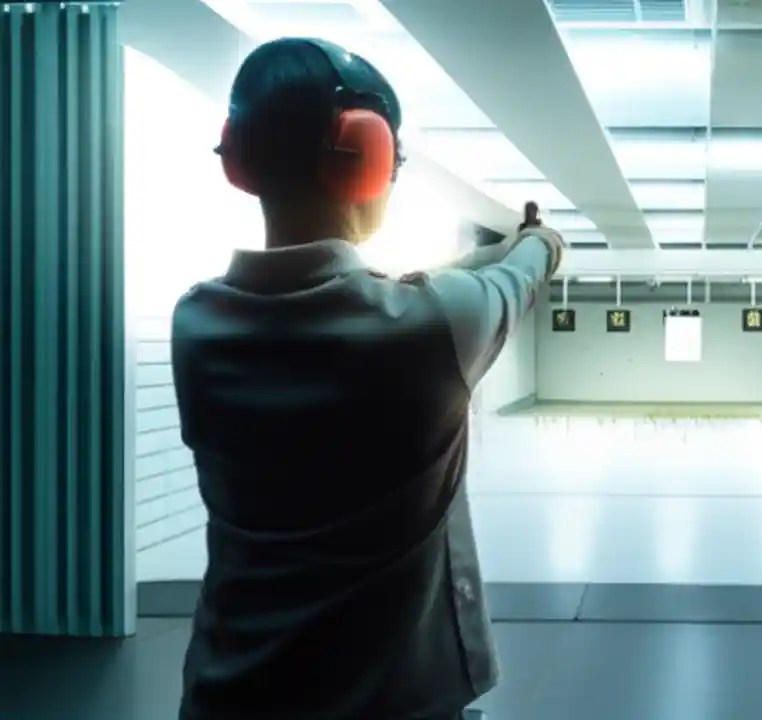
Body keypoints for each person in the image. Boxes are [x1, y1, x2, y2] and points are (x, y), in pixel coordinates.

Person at [171, 38, 564, 720]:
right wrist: (542, 241)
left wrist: (484, 259)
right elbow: (517, 276)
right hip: (390, 702)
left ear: (237, 154)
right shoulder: (431, 330)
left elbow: (410, 294)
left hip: (229, 695)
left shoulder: (195, 324)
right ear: (367, 153)